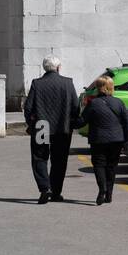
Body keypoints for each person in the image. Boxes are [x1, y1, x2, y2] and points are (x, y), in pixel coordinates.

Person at [23, 55, 79, 204]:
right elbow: (75, 107)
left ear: (44, 68)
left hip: (42, 126)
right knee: (59, 160)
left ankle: (44, 188)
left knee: (39, 158)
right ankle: (55, 192)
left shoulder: (37, 83)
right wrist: (71, 123)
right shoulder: (68, 83)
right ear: (59, 67)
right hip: (62, 127)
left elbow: (28, 108)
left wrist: (31, 124)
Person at [78, 74, 128, 205]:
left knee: (99, 165)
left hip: (98, 140)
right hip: (116, 140)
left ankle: (102, 190)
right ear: (111, 87)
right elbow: (127, 123)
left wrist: (69, 122)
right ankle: (109, 194)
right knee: (111, 167)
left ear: (99, 88)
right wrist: (127, 140)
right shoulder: (119, 102)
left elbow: (82, 121)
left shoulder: (93, 104)